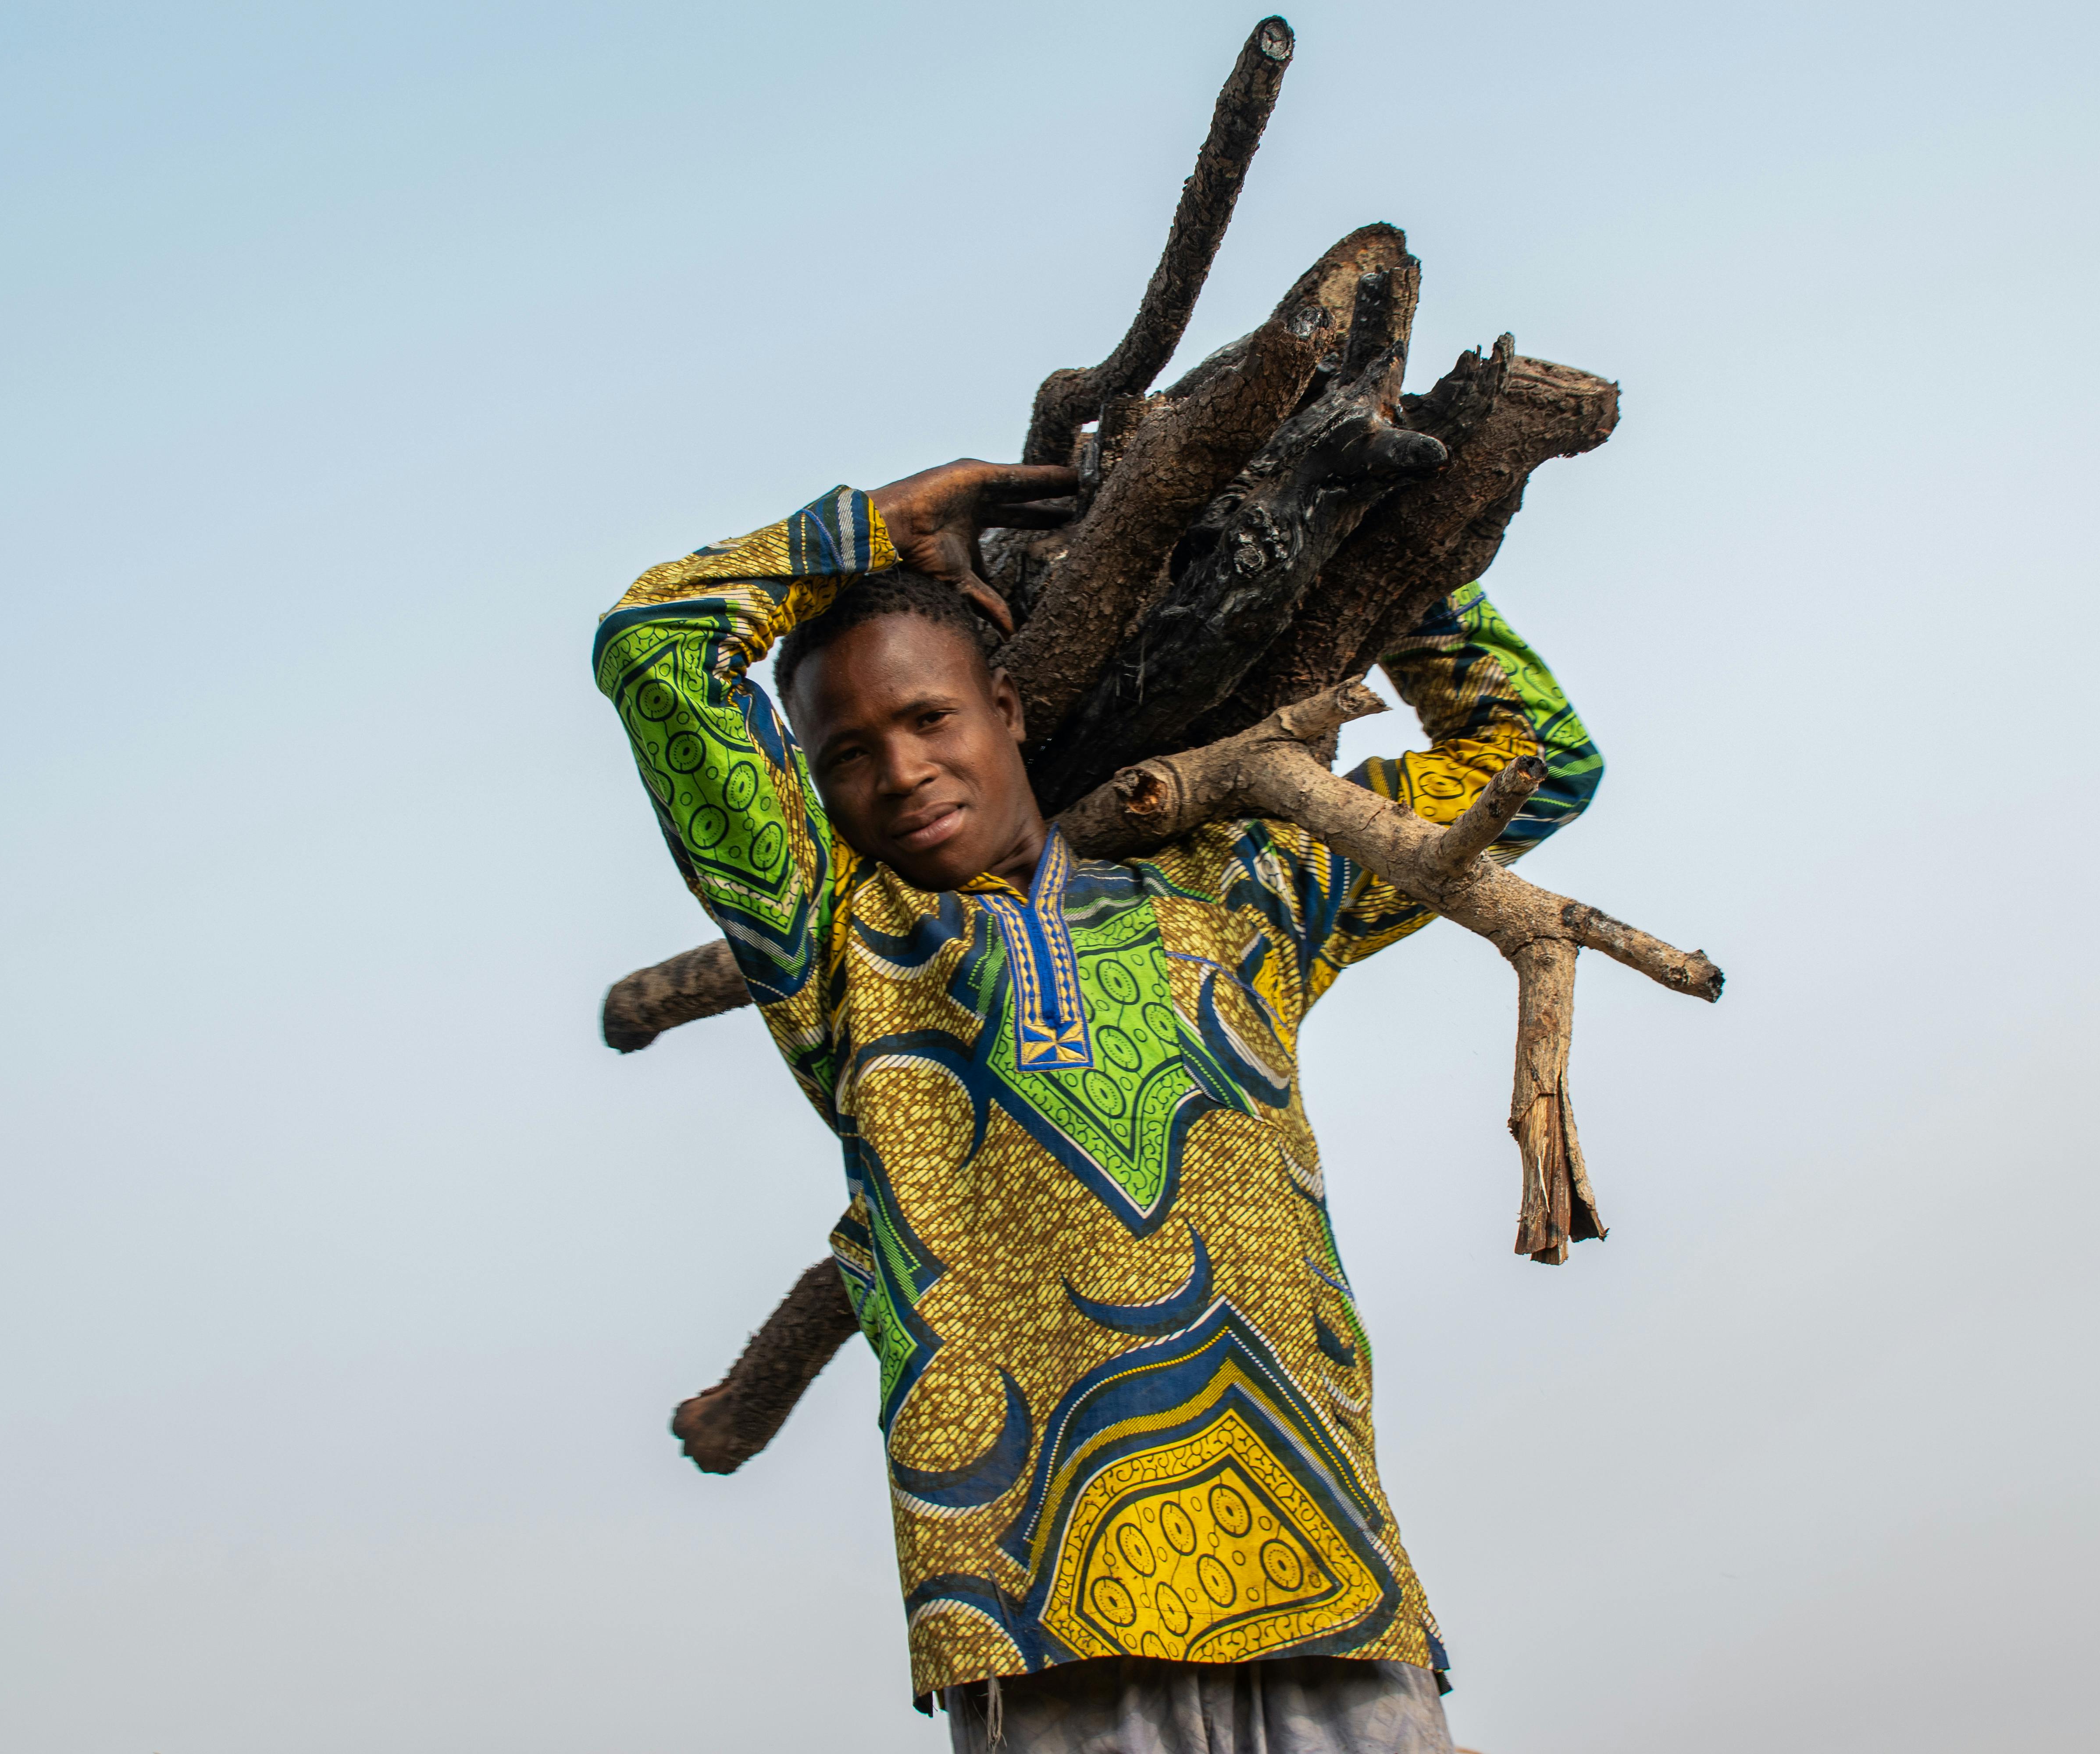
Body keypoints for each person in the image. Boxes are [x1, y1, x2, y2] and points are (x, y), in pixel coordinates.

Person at [592, 459, 1602, 1752]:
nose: (899, 770)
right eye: (847, 756)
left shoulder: (1246, 888)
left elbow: (1542, 766)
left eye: (930, 719)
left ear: (1005, 709)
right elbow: (653, 647)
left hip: (1331, 1583)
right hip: (1039, 1614)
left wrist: (1404, 567)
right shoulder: (840, 953)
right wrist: (868, 531)